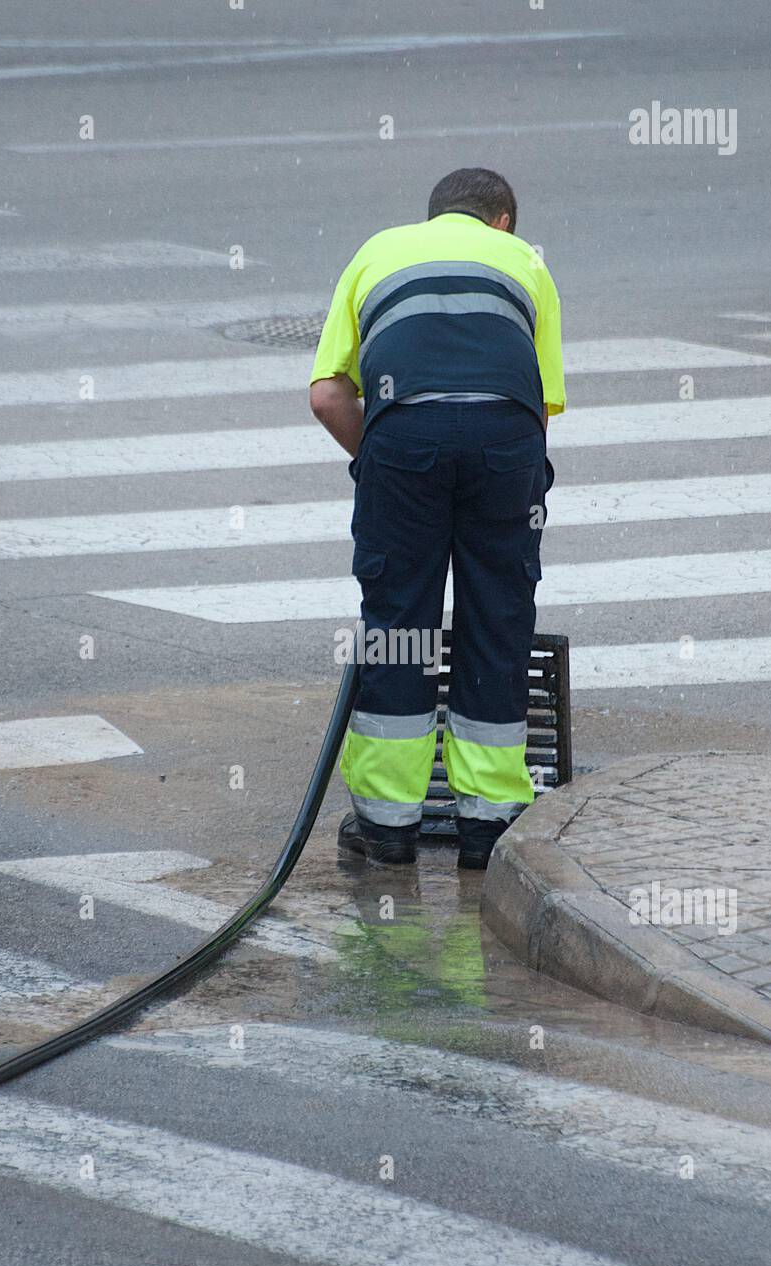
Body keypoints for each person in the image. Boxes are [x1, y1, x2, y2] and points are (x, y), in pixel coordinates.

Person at [310, 167, 566, 869]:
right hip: (502, 445)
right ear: (501, 221)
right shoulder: (524, 262)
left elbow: (328, 396)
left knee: (399, 625)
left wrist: (385, 461)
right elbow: (536, 407)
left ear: (432, 217)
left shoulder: (376, 252)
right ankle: (487, 824)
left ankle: (387, 826)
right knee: (497, 617)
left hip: (404, 439)